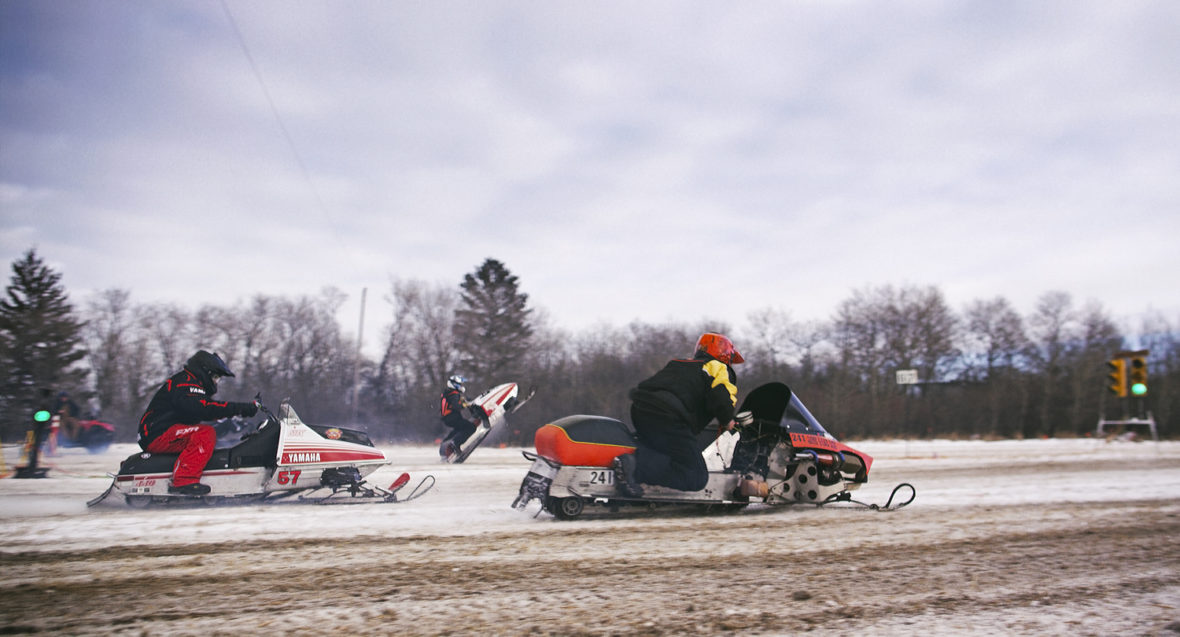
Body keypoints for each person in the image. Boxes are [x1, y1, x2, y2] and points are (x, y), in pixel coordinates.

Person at [613, 332, 745, 497]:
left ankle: (627, 464)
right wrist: (728, 420)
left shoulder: (680, 363)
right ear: (725, 354)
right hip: (669, 417)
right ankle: (636, 467)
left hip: (641, 409)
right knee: (696, 476)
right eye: (731, 360)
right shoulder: (718, 367)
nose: (731, 364)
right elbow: (721, 397)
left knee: (664, 450)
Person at [137, 350, 258, 495]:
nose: (215, 382)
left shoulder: (187, 382)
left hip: (162, 431)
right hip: (158, 433)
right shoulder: (185, 384)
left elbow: (201, 410)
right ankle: (184, 481)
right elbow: (203, 408)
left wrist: (228, 422)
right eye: (215, 377)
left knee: (210, 434)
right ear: (205, 372)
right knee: (204, 434)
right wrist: (241, 408)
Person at [438, 375, 485, 458]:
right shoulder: (453, 394)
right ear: (454, 384)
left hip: (448, 418)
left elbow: (456, 403)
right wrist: (466, 404)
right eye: (459, 384)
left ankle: (446, 443)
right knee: (471, 427)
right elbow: (457, 406)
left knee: (459, 429)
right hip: (452, 417)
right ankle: (455, 444)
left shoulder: (447, 392)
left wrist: (465, 402)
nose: (461, 386)